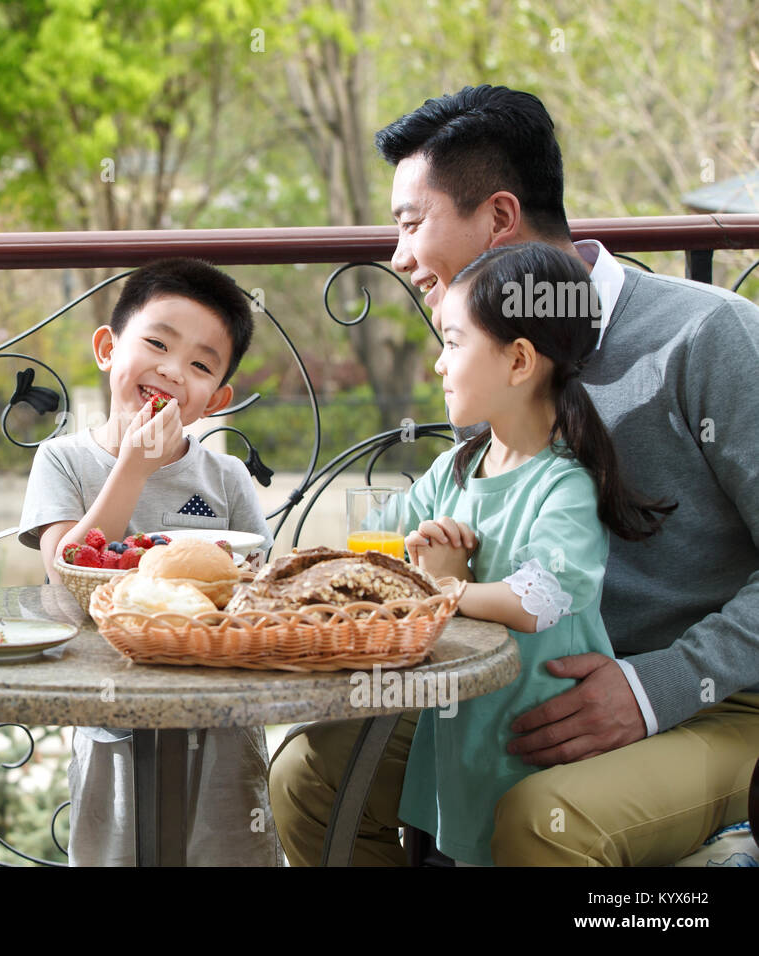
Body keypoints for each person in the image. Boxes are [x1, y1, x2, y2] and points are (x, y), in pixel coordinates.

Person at [271, 85, 759, 866]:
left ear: (498, 219)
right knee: (310, 777)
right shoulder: (489, 356)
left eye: (410, 222)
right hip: (517, 679)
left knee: (542, 821)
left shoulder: (710, 335)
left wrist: (654, 688)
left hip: (718, 704)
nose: (397, 257)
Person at [393, 242, 673, 865]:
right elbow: (383, 546)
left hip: (533, 738)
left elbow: (541, 598)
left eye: (454, 343)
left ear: (519, 360)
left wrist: (448, 591)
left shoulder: (564, 484)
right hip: (461, 731)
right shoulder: (455, 470)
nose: (439, 365)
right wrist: (417, 560)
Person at [18, 258, 279, 865]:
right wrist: (133, 466)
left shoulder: (226, 477)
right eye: (157, 343)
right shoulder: (64, 462)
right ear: (108, 348)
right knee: (119, 852)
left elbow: (258, 582)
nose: (170, 369)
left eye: (199, 364)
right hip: (112, 711)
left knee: (229, 850)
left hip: (220, 715)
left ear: (217, 397)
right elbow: (66, 569)